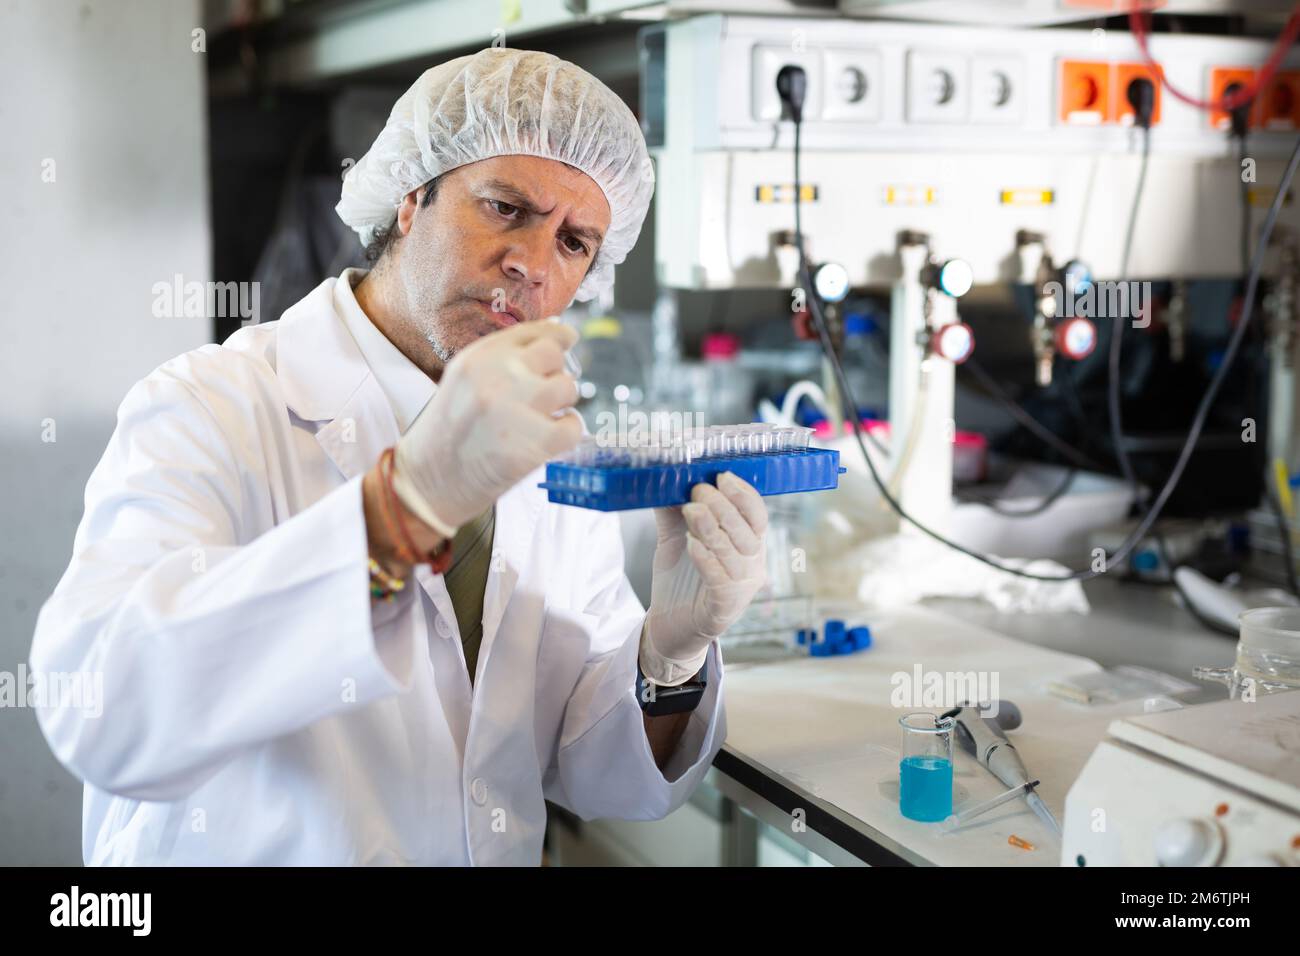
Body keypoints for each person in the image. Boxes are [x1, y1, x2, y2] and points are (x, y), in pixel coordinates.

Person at [29, 47, 769, 865]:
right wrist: (401, 511)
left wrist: (669, 658)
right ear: (413, 197)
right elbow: (104, 713)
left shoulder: (552, 450)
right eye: (505, 207)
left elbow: (590, 774)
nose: (531, 263)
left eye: (575, 242)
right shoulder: (214, 406)